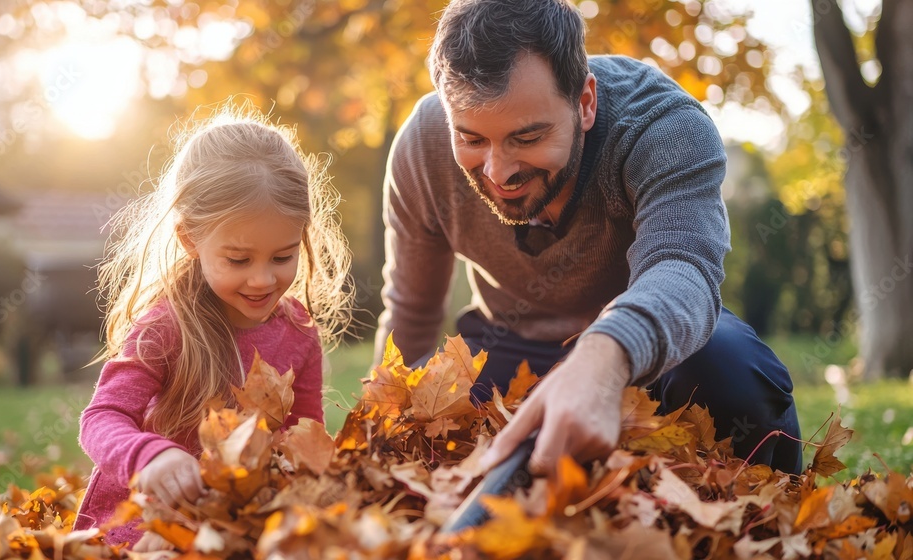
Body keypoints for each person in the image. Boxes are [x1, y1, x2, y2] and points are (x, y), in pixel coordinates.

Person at [375, 0, 802, 476]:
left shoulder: (664, 128)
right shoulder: (421, 146)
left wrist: (602, 355)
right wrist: (384, 425)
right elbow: (411, 312)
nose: (499, 171)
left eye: (527, 137)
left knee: (729, 370)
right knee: (433, 433)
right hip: (509, 347)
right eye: (473, 140)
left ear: (585, 102)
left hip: (645, 357)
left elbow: (684, 268)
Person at [74, 107, 352, 548]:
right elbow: (101, 418)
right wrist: (150, 457)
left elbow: (303, 440)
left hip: (246, 522)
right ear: (191, 240)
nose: (262, 279)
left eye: (282, 256)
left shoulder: (299, 330)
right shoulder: (166, 327)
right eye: (238, 260)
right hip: (147, 524)